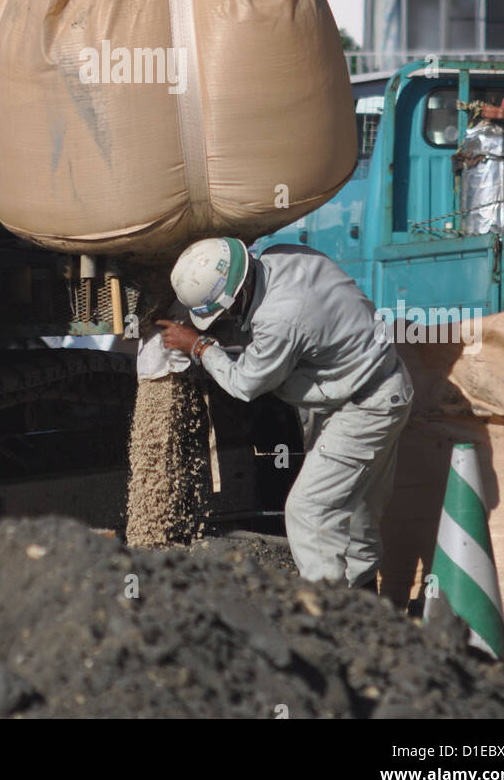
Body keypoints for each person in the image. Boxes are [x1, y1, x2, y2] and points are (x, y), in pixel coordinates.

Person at [157, 236, 413, 590]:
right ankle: (368, 614)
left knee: (310, 511)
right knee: (355, 514)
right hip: (381, 386)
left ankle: (329, 616)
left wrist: (199, 346)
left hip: (363, 409)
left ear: (239, 293)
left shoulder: (280, 321)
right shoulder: (284, 257)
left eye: (225, 311)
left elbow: (245, 384)